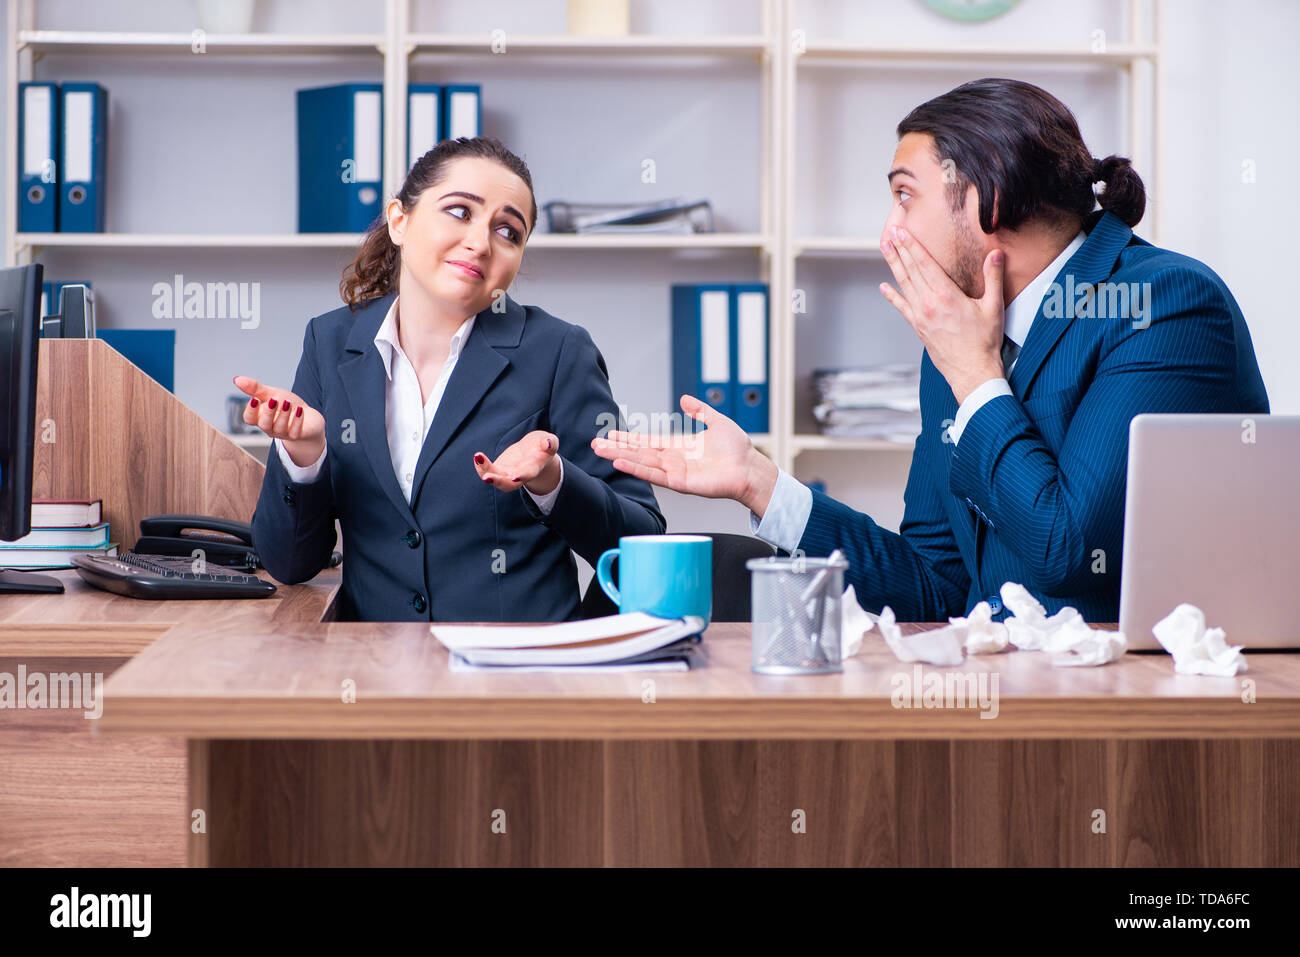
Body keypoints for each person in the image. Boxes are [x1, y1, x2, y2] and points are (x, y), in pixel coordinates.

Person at [592, 78, 1269, 623]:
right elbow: (936, 584)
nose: (889, 232)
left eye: (904, 197)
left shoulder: (1166, 304)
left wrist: (976, 376)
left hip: (1137, 730)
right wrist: (761, 484)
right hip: (997, 710)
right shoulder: (959, 338)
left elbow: (1068, 549)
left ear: (987, 194)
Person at [236, 136, 664, 622]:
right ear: (399, 221)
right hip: (373, 673)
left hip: (518, 676)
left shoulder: (558, 351)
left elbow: (644, 544)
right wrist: (304, 457)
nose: (481, 243)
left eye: (508, 232)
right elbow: (289, 563)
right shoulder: (331, 341)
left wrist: (553, 482)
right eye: (460, 212)